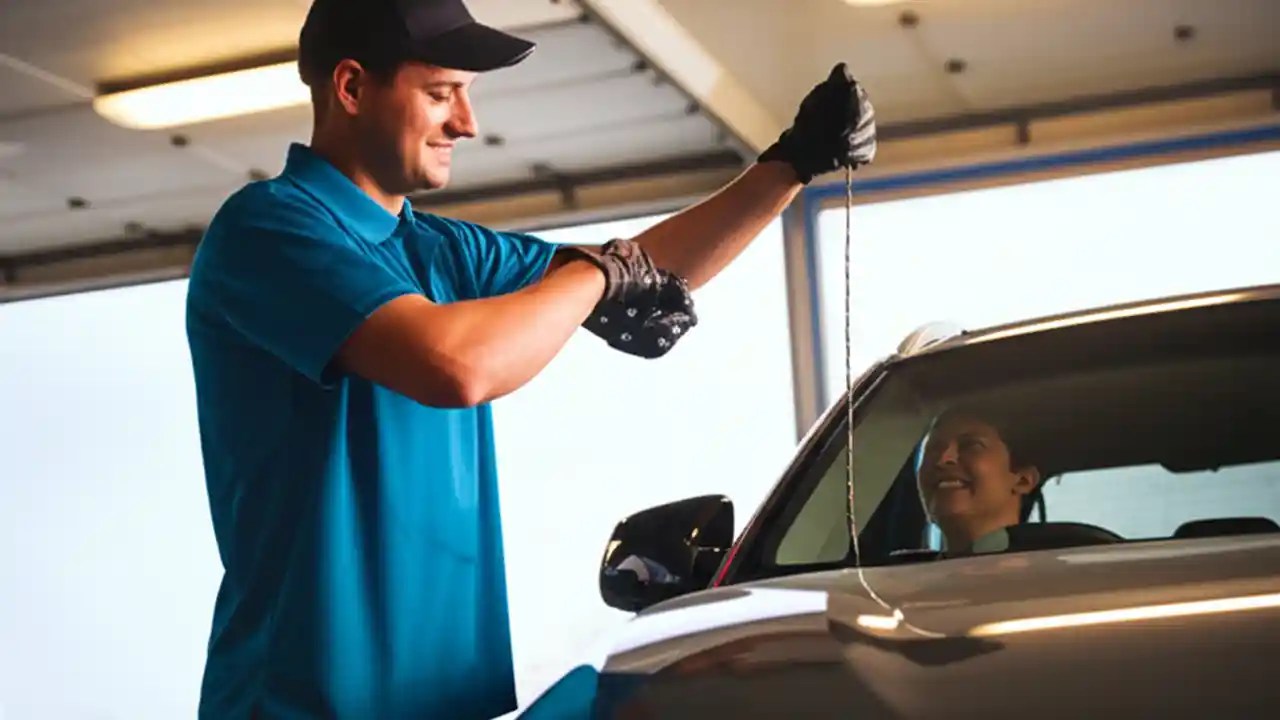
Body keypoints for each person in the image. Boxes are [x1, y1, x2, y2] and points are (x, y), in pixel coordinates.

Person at [184, 0, 876, 717]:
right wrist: (603, 276)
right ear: (352, 88)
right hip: (303, 704)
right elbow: (454, 366)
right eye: (440, 93)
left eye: (467, 96)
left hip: (444, 698)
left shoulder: (442, 250)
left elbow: (648, 269)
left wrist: (789, 166)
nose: (466, 123)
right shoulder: (266, 230)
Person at [915, 408, 1043, 554]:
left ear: (1023, 481)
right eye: (934, 448)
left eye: (971, 446)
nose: (943, 459)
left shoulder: (1053, 574)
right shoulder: (900, 572)